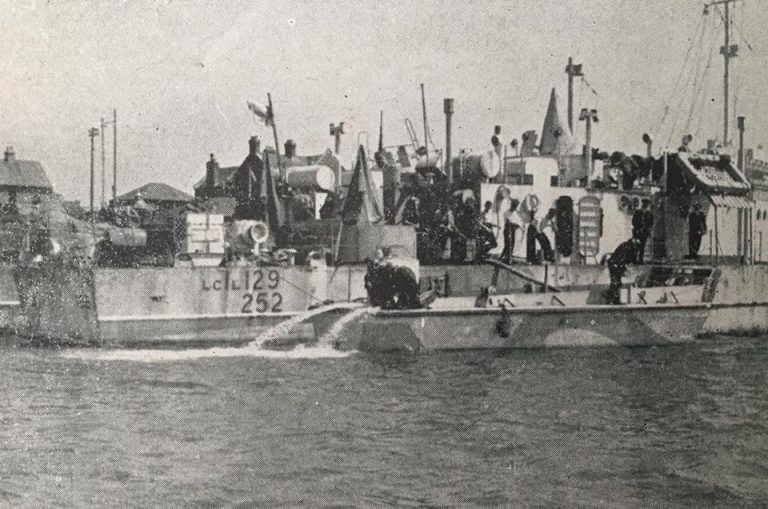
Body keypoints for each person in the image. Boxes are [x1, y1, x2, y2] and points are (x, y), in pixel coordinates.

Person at [605, 237, 641, 304]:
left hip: (618, 265)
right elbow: (621, 258)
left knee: (618, 282)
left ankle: (614, 297)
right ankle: (611, 298)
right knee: (615, 281)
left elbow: (632, 259)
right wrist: (621, 266)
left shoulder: (630, 247)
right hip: (615, 264)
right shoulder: (625, 246)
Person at [632, 199, 654, 264]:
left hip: (644, 232)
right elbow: (633, 222)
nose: (646, 206)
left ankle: (640, 260)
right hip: (637, 232)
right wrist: (638, 227)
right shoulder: (637, 213)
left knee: (642, 247)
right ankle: (634, 260)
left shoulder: (649, 214)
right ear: (642, 205)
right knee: (636, 247)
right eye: (644, 204)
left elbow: (651, 223)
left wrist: (648, 229)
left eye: (647, 205)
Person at [500, 199, 521, 264]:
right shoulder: (507, 212)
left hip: (513, 230)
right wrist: (515, 224)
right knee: (508, 244)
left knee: (512, 244)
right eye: (514, 205)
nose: (515, 207)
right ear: (511, 205)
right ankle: (504, 258)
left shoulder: (516, 213)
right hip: (507, 230)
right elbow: (508, 222)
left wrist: (516, 225)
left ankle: (506, 258)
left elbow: (518, 223)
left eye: (516, 206)